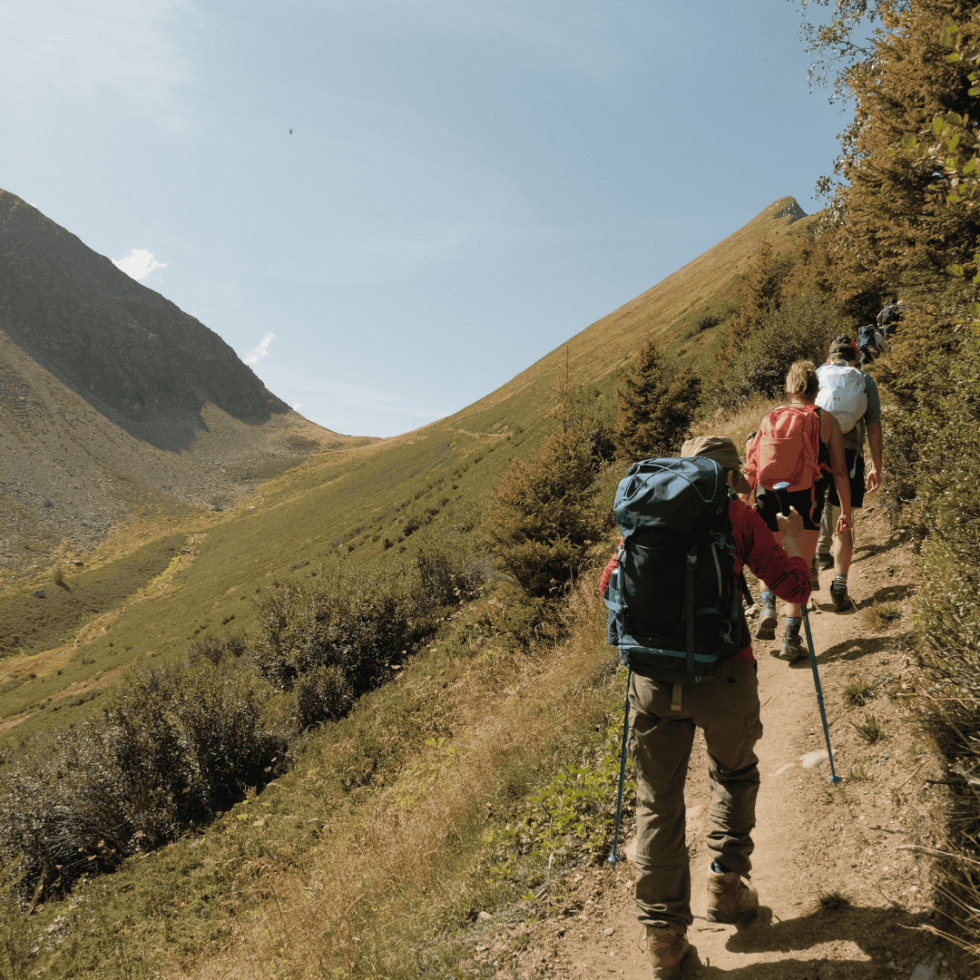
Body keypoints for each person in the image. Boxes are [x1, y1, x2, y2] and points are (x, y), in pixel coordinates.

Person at [599, 436, 810, 980]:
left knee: (657, 804)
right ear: (727, 476)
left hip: (652, 680)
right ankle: (725, 886)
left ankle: (665, 941)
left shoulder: (646, 511)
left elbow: (608, 586)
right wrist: (791, 543)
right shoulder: (736, 514)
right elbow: (790, 585)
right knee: (734, 774)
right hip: (725, 673)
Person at [746, 360, 853, 661]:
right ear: (817, 389)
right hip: (805, 499)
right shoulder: (826, 420)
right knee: (799, 566)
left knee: (770, 556)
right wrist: (846, 512)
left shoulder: (771, 417)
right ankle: (791, 639)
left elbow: (753, 465)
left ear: (790, 388)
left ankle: (768, 603)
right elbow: (841, 472)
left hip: (767, 497)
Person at [814, 338, 883, 612]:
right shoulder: (864, 380)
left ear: (830, 358)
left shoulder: (817, 376)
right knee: (845, 518)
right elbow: (874, 425)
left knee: (812, 512)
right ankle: (840, 586)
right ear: (854, 359)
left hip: (816, 454)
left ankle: (806, 580)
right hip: (850, 456)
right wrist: (876, 466)